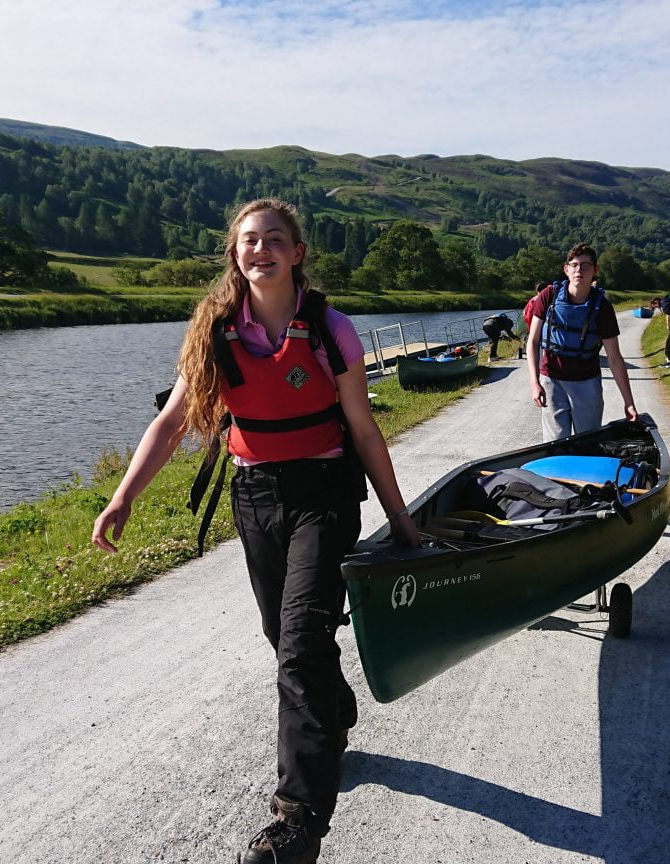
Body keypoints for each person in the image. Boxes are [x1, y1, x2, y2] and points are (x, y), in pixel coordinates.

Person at [92, 198, 420, 864]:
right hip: (255, 494)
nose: (260, 248)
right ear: (234, 253)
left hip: (324, 494)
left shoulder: (333, 330)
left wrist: (401, 517)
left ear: (297, 253)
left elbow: (362, 428)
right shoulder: (215, 331)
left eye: (275, 238)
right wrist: (123, 497)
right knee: (284, 638)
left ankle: (298, 821)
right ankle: (332, 712)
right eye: (248, 240)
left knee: (300, 642)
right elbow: (173, 423)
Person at [523, 243, 639, 441]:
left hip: (587, 382)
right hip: (552, 380)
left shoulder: (602, 307)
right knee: (555, 444)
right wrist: (535, 383)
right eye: (575, 265)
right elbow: (533, 342)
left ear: (595, 270)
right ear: (566, 269)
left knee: (587, 444)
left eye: (586, 266)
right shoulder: (548, 295)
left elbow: (614, 358)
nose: (579, 270)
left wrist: (628, 402)